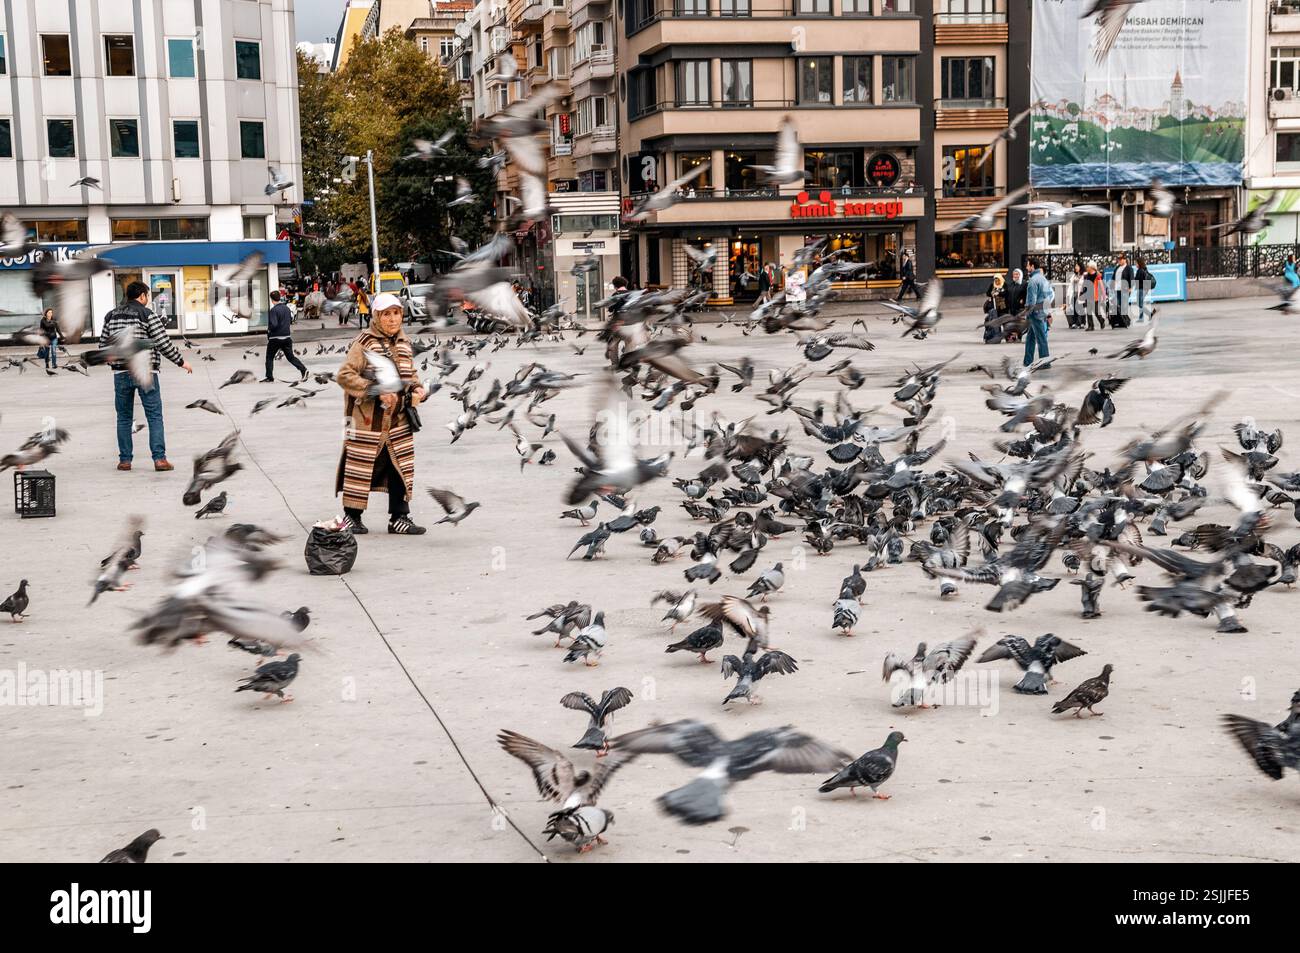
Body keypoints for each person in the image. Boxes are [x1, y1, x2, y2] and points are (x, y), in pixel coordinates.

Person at [335, 293, 429, 535]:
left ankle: (399, 517)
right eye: (386, 314)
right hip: (368, 421)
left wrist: (418, 388)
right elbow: (344, 376)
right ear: (376, 316)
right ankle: (351, 517)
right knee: (362, 467)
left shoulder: (404, 343)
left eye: (396, 313)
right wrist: (375, 392)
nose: (392, 319)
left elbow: (410, 375)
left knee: (400, 467)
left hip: (398, 419)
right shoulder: (364, 343)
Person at [99, 280, 193, 472]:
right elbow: (162, 342)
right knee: (154, 416)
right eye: (147, 296)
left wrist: (113, 360)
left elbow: (103, 346)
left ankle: (125, 461)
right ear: (142, 296)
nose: (148, 299)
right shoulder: (147, 314)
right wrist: (181, 362)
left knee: (124, 418)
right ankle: (159, 460)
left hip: (121, 372)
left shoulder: (111, 316)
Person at [263, 291, 308, 383]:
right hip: (287, 337)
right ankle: (303, 370)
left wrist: (269, 329)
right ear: (279, 298)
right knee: (290, 357)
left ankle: (269, 377)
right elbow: (291, 320)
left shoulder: (274, 310)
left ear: (271, 299)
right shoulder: (287, 308)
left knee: (269, 357)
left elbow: (274, 324)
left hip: (275, 338)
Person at [1022, 257, 1054, 365]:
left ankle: (1045, 362)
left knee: (1041, 338)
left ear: (1032, 266)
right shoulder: (1043, 278)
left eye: (1027, 265)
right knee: (1031, 338)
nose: (1026, 267)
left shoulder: (1033, 281)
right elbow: (1050, 295)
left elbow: (1032, 300)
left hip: (1035, 313)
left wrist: (1027, 312)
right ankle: (1027, 362)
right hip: (1041, 311)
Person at [1082, 261, 1106, 331]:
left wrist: (1104, 295)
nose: (1086, 268)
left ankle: (1102, 320)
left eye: (1088, 266)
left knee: (1096, 311)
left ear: (1092, 268)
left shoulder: (1097, 275)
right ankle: (1091, 326)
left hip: (1096, 296)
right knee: (1089, 311)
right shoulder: (1086, 276)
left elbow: (1101, 285)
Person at [1111, 254, 1134, 329]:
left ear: (1125, 259)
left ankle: (1125, 321)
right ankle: (1123, 320)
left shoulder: (1129, 268)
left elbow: (1131, 278)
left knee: (1124, 305)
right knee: (1119, 305)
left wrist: (1130, 288)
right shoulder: (1117, 267)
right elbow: (1113, 277)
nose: (1119, 261)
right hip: (1117, 289)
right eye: (1118, 259)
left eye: (1121, 259)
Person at [1133, 257, 1156, 323]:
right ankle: (1143, 317)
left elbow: (1137, 279)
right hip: (1144, 289)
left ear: (1139, 263)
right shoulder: (1144, 269)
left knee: (1140, 304)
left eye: (1136, 263)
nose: (1135, 264)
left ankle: (1148, 315)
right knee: (1140, 303)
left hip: (1141, 289)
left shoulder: (1140, 270)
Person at [1065, 262, 1085, 329]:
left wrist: (1079, 280)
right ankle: (1075, 323)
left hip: (1081, 294)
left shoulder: (1084, 275)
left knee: (1081, 309)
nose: (1076, 267)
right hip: (1074, 294)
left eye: (1077, 266)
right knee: (1074, 309)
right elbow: (1070, 286)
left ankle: (1082, 323)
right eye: (1075, 266)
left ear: (1080, 267)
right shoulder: (1074, 276)